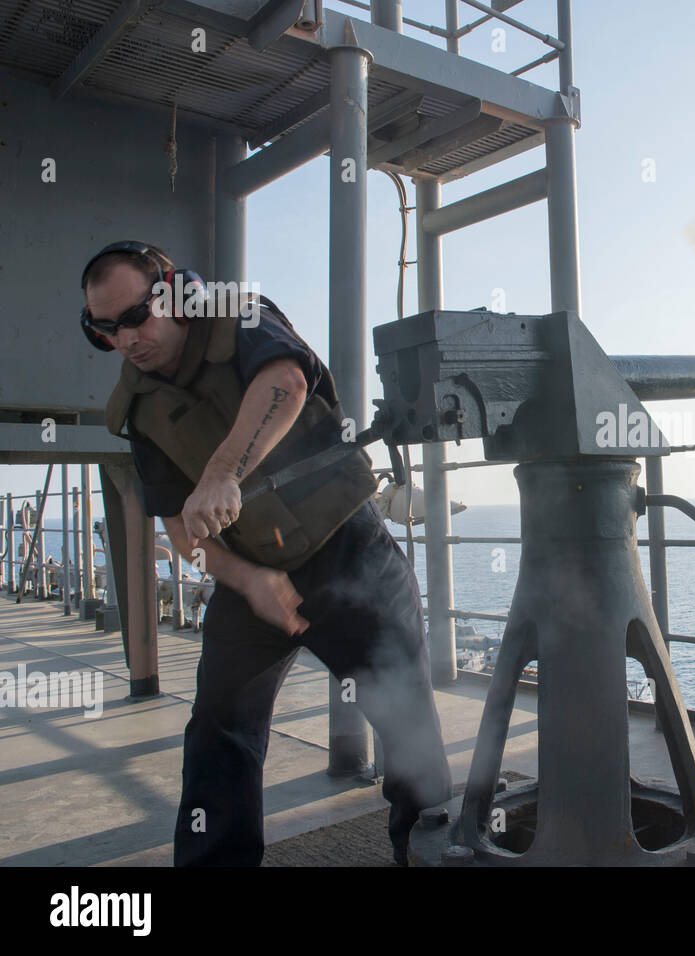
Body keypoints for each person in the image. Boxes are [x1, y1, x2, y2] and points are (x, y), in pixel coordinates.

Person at [81, 240, 452, 866]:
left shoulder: (241, 315)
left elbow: (285, 379)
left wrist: (224, 471)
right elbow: (181, 534)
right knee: (217, 731)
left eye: (136, 318)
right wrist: (248, 579)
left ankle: (429, 851)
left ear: (171, 291)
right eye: (106, 329)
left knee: (404, 712)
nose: (126, 340)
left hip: (347, 548)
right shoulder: (138, 410)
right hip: (253, 573)